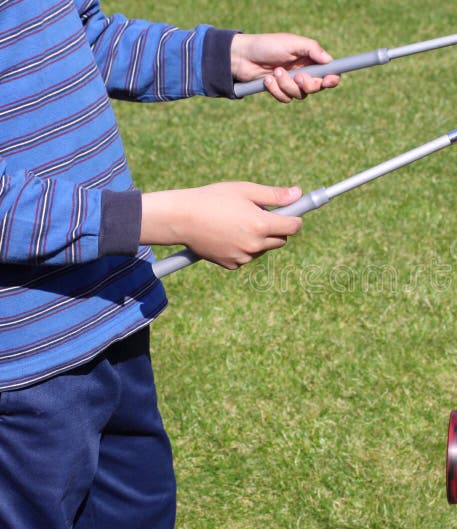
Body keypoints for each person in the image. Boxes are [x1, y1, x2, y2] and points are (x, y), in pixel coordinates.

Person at [0, 2, 339, 528]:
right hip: (21, 374)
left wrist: (225, 54)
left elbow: (80, 33)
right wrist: (167, 219)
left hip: (113, 318)